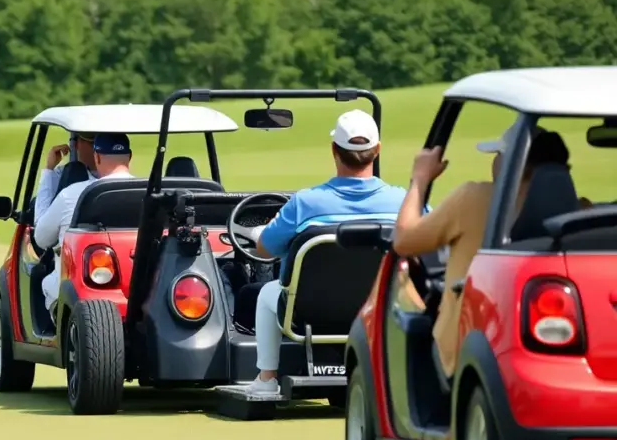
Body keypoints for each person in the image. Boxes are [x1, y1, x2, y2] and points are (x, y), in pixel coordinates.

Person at [241, 109, 409, 394]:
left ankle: (267, 379)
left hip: (309, 314)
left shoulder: (305, 203)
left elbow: (264, 247)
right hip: (381, 309)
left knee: (267, 293)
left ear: (334, 150)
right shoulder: (404, 201)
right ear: (377, 150)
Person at [392, 127, 575, 382]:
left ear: (514, 164)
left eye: (499, 155)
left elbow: (403, 240)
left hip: (468, 349)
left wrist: (419, 180)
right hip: (560, 352)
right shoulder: (579, 215)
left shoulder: (473, 198)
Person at [34, 133, 134, 319]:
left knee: (49, 284)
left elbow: (41, 238)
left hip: (83, 296)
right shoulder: (153, 193)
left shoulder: (71, 194)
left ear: (96, 157)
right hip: (139, 292)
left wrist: (48, 171)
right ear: (130, 157)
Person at [33, 132, 98, 224]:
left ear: (75, 145)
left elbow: (40, 226)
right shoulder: (123, 181)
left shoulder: (67, 192)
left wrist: (49, 169)